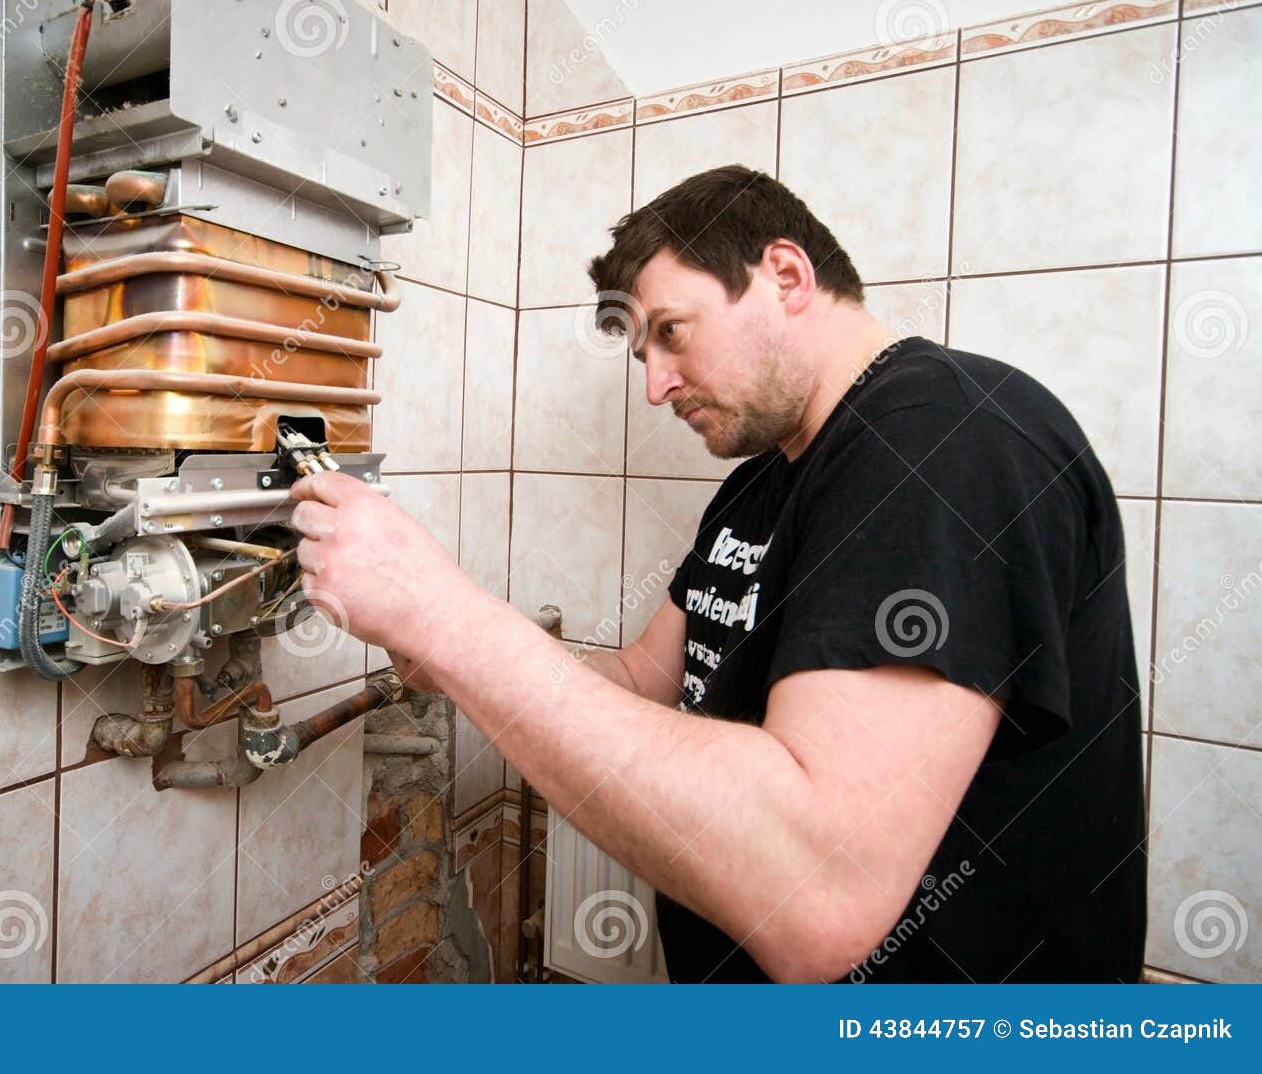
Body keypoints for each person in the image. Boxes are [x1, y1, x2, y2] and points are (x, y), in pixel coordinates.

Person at [288, 165, 1146, 983]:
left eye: (671, 331)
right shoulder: (759, 485)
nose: (657, 385)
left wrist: (448, 616)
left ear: (784, 273)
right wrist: (444, 645)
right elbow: (642, 681)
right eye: (641, 355)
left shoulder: (946, 439)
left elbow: (819, 891)